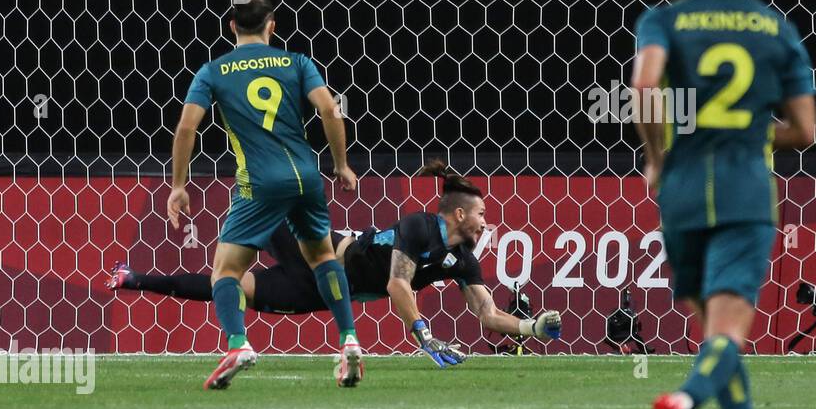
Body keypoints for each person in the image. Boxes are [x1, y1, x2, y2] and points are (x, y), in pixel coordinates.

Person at [631, 0, 816, 409]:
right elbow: (806, 131)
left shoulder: (665, 18)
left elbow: (644, 84)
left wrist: (658, 157)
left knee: (714, 336)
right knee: (728, 335)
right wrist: (752, 132)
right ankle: (681, 404)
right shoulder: (776, 28)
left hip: (682, 191)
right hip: (744, 192)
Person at [111, 161, 562, 365]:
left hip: (317, 291)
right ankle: (248, 181)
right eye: (482, 214)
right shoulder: (420, 226)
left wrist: (531, 328)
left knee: (232, 289)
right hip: (318, 250)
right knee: (265, 209)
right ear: (459, 214)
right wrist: (424, 337)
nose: (487, 224)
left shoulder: (462, 259)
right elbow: (398, 286)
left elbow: (485, 312)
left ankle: (133, 278)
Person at [168, 0, 361, 390]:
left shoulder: (213, 71)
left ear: (231, 26)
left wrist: (179, 184)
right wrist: (340, 164)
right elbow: (330, 110)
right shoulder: (297, 62)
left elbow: (187, 127)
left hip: (258, 181)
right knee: (323, 255)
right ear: (272, 25)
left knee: (226, 269)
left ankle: (238, 343)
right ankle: (349, 340)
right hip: (307, 176)